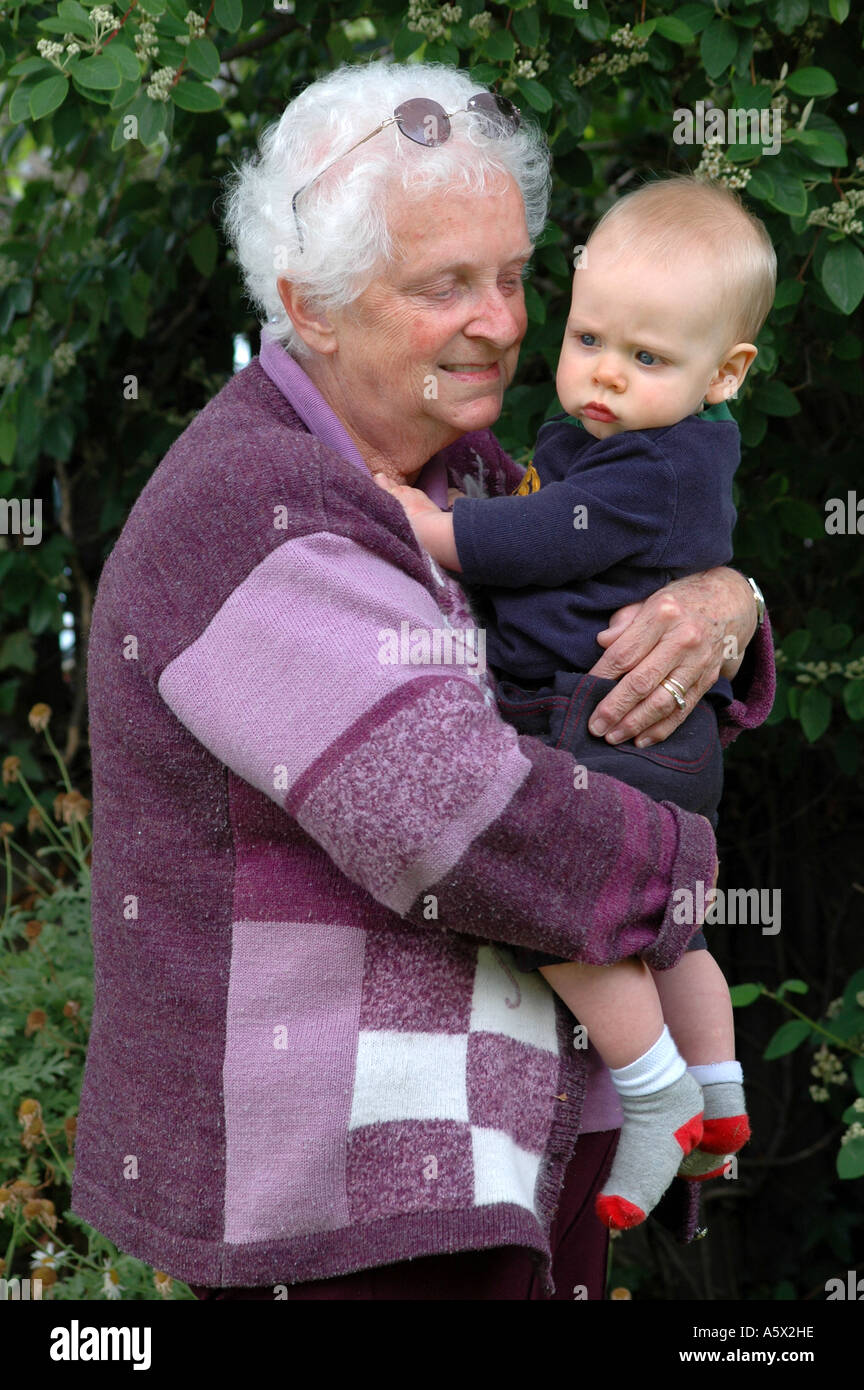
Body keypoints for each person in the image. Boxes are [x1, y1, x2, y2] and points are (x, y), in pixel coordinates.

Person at [70, 61, 775, 1301]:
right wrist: (685, 871)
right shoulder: (257, 507)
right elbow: (460, 823)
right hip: (353, 1194)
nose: (503, 320)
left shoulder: (469, 469)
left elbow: (609, 572)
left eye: (510, 276)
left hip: (485, 1164)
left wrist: (733, 602)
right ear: (313, 306)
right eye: (446, 285)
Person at [374, 173, 777, 1233]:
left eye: (647, 359)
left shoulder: (653, 464)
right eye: (592, 338)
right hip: (660, 739)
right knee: (671, 936)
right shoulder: (638, 443)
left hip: (599, 727)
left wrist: (433, 528)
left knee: (549, 899)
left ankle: (656, 1091)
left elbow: (543, 539)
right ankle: (723, 1095)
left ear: (726, 373)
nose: (604, 375)